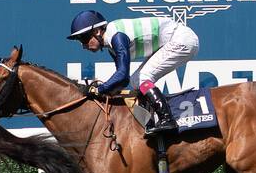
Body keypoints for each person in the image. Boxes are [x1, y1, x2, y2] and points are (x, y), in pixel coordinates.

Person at [67, 10, 200, 136]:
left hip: (181, 40)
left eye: (83, 39)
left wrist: (99, 90)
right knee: (136, 80)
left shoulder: (117, 36)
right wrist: (103, 91)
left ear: (97, 31)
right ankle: (149, 121)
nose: (83, 46)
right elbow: (124, 81)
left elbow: (122, 75)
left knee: (143, 77)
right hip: (175, 41)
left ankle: (167, 119)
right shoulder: (112, 47)